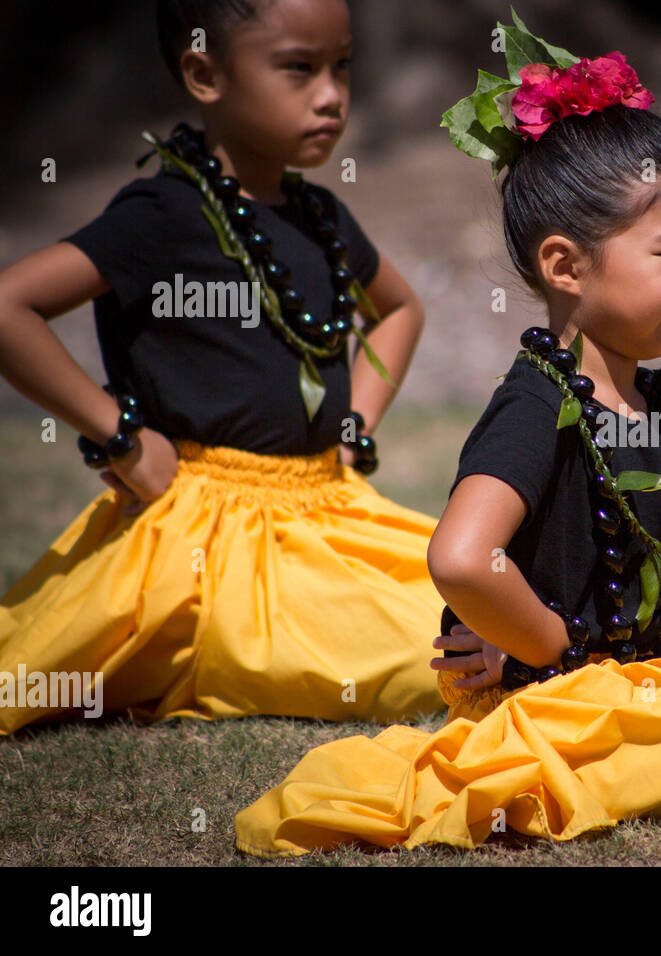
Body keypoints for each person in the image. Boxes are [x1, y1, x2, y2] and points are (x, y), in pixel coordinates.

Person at [234, 28, 661, 855]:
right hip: (546, 702)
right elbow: (462, 558)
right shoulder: (535, 406)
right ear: (566, 267)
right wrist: (546, 646)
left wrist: (659, 637)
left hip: (639, 683)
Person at [0, 0, 447, 734]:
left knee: (480, 609)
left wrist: (353, 427)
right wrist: (120, 438)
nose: (332, 93)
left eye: (341, 67)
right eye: (299, 68)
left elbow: (400, 311)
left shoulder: (323, 218)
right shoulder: (163, 215)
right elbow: (10, 307)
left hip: (326, 511)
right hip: (204, 533)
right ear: (205, 73)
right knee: (417, 656)